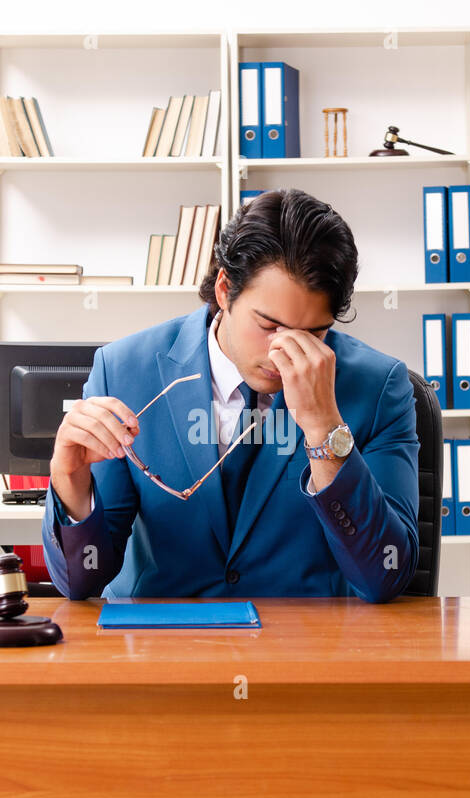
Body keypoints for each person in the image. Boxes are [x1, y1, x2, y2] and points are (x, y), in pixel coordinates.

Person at [42, 188, 419, 602]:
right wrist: (69, 478)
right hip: (164, 649)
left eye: (313, 333)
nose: (283, 353)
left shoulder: (379, 386)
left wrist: (324, 427)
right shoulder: (123, 371)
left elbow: (385, 575)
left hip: (304, 652)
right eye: (269, 325)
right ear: (225, 288)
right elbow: (82, 580)